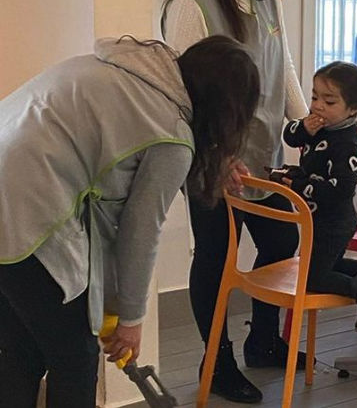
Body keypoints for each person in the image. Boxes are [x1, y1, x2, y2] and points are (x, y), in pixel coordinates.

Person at [0, 36, 259, 408]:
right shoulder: (169, 134)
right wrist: (131, 319)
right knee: (75, 357)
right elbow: (139, 233)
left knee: (21, 348)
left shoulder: (134, 71)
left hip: (11, 187)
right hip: (24, 211)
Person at [162, 0, 308, 403]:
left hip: (263, 147)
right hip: (212, 159)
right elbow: (183, 95)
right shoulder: (191, 2)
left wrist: (305, 119)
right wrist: (218, 157)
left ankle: (264, 340)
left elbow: (282, 59)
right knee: (217, 259)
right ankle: (217, 363)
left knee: (280, 241)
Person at [272, 62, 357, 331]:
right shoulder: (320, 126)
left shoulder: (346, 143)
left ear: (352, 108)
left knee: (312, 277)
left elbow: (340, 190)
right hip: (318, 218)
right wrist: (305, 130)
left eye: (329, 101)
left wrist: (301, 185)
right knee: (321, 267)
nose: (318, 106)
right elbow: (290, 136)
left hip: (334, 222)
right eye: (315, 97)